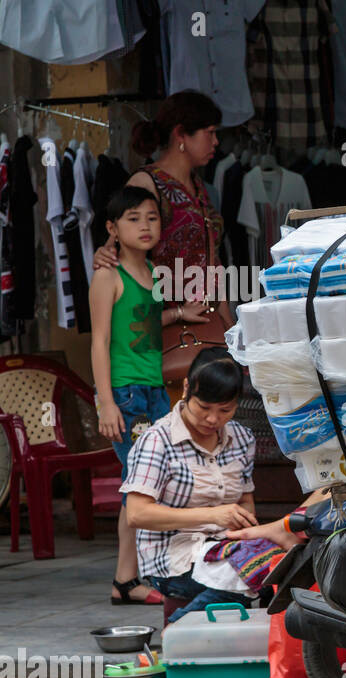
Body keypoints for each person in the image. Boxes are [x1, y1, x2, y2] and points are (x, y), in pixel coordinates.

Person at [90, 187, 219, 606]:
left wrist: (181, 315)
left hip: (153, 391)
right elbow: (100, 340)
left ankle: (129, 578)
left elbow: (142, 325)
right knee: (142, 487)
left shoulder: (152, 272)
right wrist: (106, 402)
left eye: (151, 218)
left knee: (148, 483)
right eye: (132, 218)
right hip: (126, 395)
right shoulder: (107, 275)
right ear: (112, 228)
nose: (144, 226)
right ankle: (129, 579)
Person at [121, 347, 259, 623]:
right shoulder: (157, 440)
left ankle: (184, 629)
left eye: (225, 410)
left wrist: (250, 533)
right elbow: (137, 514)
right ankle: (177, 630)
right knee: (245, 574)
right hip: (174, 558)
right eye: (204, 407)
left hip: (224, 548)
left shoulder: (242, 439)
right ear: (186, 389)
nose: (212, 419)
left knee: (278, 563)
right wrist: (213, 515)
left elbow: (245, 502)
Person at [92, 91, 231, 339]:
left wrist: (229, 328)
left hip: (206, 323)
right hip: (162, 327)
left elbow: (209, 261)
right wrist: (177, 312)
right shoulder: (148, 184)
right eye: (209, 133)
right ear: (181, 135)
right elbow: (122, 264)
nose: (216, 142)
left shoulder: (197, 185)